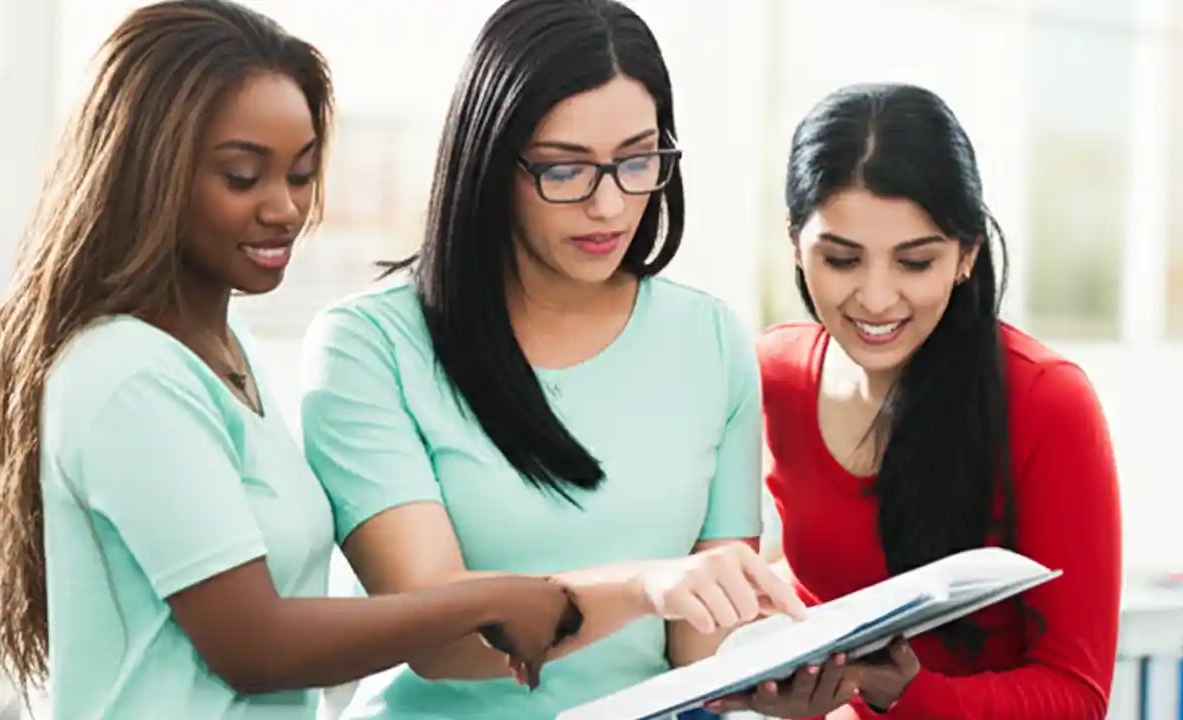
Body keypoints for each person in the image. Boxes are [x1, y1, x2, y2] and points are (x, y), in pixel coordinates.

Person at [0, 2, 584, 718]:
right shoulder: (127, 374)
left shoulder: (233, 358)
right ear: (148, 173)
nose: (286, 208)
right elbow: (255, 645)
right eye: (242, 177)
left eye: (299, 174)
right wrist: (484, 598)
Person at [297, 0, 815, 717]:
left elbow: (698, 652)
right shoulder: (368, 347)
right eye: (564, 171)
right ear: (488, 163)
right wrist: (642, 585)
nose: (608, 206)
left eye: (638, 161)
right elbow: (435, 637)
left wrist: (781, 669)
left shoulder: (709, 336)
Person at [717, 82, 1122, 719]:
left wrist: (900, 693)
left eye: (915, 262)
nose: (877, 299)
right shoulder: (772, 374)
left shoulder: (1046, 400)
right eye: (843, 259)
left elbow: (1077, 696)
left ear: (966, 255)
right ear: (795, 243)